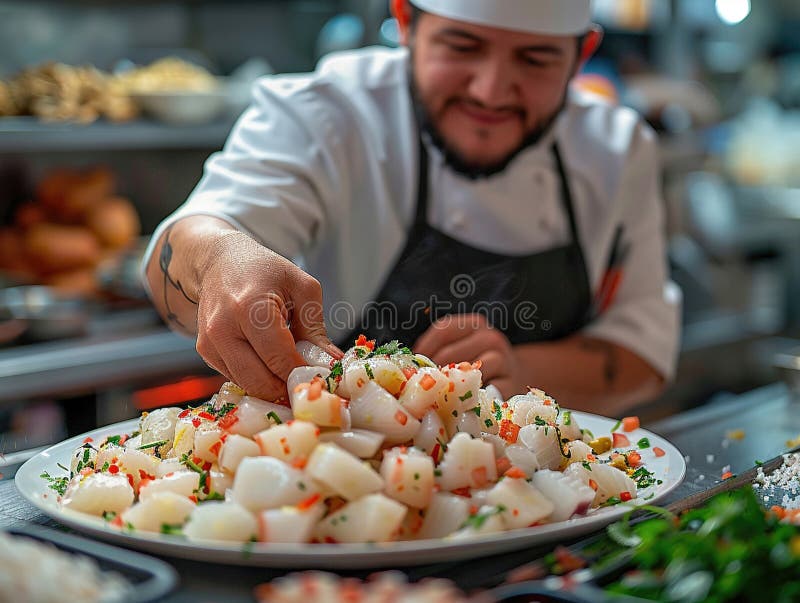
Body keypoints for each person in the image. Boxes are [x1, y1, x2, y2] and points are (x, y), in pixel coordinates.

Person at [142, 0, 680, 414]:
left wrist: (518, 370)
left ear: (581, 55)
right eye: (462, 47)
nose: (491, 91)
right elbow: (191, 236)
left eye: (535, 59)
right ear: (405, 21)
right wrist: (220, 260)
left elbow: (642, 353)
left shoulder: (616, 150)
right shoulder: (329, 114)